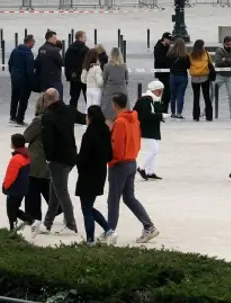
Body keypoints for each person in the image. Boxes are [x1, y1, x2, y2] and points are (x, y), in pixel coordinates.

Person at [107, 93, 162, 242]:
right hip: (131, 161)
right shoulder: (133, 119)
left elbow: (117, 146)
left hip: (119, 164)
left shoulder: (120, 122)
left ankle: (109, 232)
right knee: (129, 198)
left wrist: (111, 162)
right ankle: (148, 226)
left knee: (113, 200)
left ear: (115, 105)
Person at [39, 88, 80, 236]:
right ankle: (47, 223)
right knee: (54, 190)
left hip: (57, 159)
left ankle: (70, 224)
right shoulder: (69, 110)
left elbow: (47, 141)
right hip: (71, 155)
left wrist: (48, 158)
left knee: (61, 191)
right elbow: (83, 118)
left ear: (46, 99)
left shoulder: (48, 116)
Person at [75, 104, 115, 245]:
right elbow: (110, 156)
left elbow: (83, 158)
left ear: (90, 118)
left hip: (87, 175)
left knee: (86, 208)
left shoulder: (89, 135)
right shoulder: (105, 132)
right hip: (100, 173)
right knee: (89, 206)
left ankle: (90, 239)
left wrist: (77, 160)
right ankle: (108, 230)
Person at [22, 96, 52, 226]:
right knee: (46, 185)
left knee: (32, 189)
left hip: (37, 157)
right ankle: (60, 208)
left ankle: (33, 216)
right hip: (50, 158)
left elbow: (26, 137)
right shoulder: (55, 119)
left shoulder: (39, 120)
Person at [134, 79, 165, 181]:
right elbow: (145, 116)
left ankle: (150, 171)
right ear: (153, 90)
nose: (161, 93)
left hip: (151, 128)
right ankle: (141, 168)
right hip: (146, 129)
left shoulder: (151, 99)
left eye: (162, 91)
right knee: (154, 149)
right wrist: (160, 116)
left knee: (154, 149)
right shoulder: (145, 100)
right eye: (159, 91)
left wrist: (161, 115)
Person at [7, 34, 35, 125]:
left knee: (14, 97)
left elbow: (10, 63)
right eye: (33, 42)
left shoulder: (15, 50)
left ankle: (12, 116)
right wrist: (32, 81)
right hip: (24, 80)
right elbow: (29, 69)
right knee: (23, 100)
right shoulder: (28, 53)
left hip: (15, 78)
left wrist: (12, 74)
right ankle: (20, 119)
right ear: (29, 42)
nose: (34, 44)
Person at [100, 48, 129, 121]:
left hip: (110, 90)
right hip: (122, 89)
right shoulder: (124, 65)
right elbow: (127, 79)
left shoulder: (107, 66)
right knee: (123, 110)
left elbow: (104, 79)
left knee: (108, 113)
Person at [64, 31, 90, 112]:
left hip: (74, 77)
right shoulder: (85, 49)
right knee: (88, 98)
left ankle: (71, 116)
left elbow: (66, 63)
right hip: (84, 77)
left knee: (74, 98)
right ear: (80, 37)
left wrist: (68, 76)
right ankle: (90, 116)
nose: (86, 38)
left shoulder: (70, 48)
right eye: (85, 37)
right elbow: (88, 63)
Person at [189, 39, 213, 121]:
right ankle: (209, 116)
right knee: (207, 97)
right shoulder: (206, 54)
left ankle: (196, 116)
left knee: (196, 97)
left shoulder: (191, 55)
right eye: (203, 45)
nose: (204, 46)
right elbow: (210, 63)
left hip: (194, 78)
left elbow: (188, 64)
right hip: (205, 77)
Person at [213, 35, 231, 116]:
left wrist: (225, 59)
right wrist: (230, 61)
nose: (229, 46)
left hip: (230, 75)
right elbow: (218, 62)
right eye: (227, 44)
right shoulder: (219, 50)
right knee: (212, 93)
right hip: (219, 75)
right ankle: (206, 109)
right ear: (224, 44)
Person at [34, 30, 65, 96]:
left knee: (45, 98)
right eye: (55, 38)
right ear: (50, 38)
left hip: (43, 79)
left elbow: (37, 63)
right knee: (57, 97)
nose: (56, 40)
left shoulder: (41, 49)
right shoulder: (54, 50)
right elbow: (62, 63)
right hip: (54, 79)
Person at [168, 37, 190, 120]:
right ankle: (179, 113)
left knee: (173, 96)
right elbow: (188, 66)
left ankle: (173, 112)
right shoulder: (185, 56)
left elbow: (168, 64)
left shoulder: (170, 55)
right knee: (181, 95)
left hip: (173, 76)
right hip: (183, 76)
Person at [82, 47, 106, 117]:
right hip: (96, 90)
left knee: (88, 107)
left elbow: (83, 80)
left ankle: (86, 124)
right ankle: (96, 124)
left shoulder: (86, 67)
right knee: (97, 108)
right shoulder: (97, 68)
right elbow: (100, 82)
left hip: (88, 89)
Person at [152, 32, 173, 110]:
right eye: (169, 39)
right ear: (164, 39)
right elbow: (160, 60)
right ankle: (163, 109)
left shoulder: (167, 46)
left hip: (167, 72)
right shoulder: (158, 47)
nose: (170, 41)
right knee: (166, 92)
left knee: (166, 92)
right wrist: (170, 61)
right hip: (162, 73)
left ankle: (164, 108)